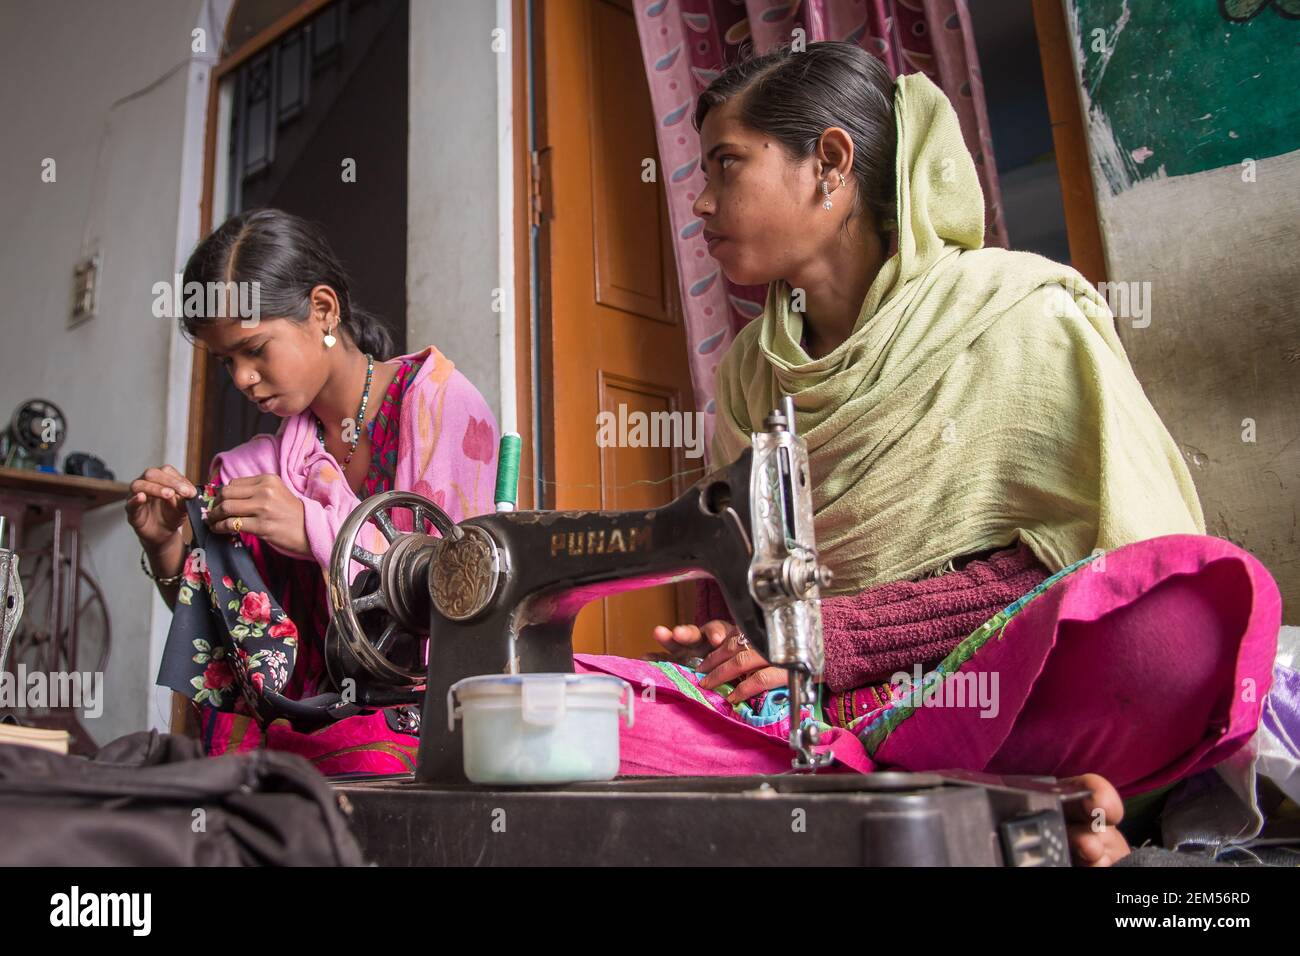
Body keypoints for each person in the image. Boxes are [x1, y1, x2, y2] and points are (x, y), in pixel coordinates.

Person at [572, 42, 1281, 866]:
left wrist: (846, 639)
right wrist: (735, 653)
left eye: (727, 165)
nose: (699, 202)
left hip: (992, 690)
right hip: (821, 711)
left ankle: (888, 791)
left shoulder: (1019, 312)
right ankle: (991, 805)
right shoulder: (749, 380)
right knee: (581, 706)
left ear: (829, 164)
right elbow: (752, 592)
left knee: (1184, 623)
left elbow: (1108, 562)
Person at [128, 208, 498, 775]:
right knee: (225, 766)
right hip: (322, 711)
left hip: (424, 707)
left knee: (327, 766)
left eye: (255, 349)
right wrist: (167, 549)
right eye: (227, 361)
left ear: (322, 310)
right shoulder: (263, 466)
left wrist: (315, 531)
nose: (242, 379)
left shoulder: (438, 408)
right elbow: (236, 637)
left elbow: (468, 597)